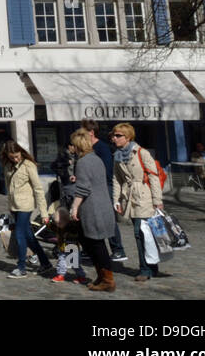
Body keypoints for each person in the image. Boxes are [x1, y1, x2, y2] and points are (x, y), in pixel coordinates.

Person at [110, 123, 164, 283]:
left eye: (118, 135)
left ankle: (145, 269)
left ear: (127, 137)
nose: (114, 138)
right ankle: (152, 265)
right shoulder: (117, 156)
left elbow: (154, 176)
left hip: (144, 196)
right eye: (114, 135)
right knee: (145, 234)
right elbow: (117, 179)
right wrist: (116, 200)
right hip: (129, 198)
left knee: (139, 232)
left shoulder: (142, 153)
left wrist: (157, 200)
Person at [70, 128, 116, 292]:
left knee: (96, 244)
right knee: (89, 241)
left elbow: (83, 188)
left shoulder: (83, 162)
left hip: (93, 208)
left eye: (73, 145)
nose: (72, 148)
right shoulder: (96, 159)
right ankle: (101, 275)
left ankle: (108, 280)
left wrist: (74, 207)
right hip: (102, 204)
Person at [2, 139, 52, 278]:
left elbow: (38, 189)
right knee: (29, 236)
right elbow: (8, 187)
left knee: (19, 234)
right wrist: (10, 207)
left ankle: (21, 267)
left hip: (26, 205)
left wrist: (44, 213)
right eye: (12, 157)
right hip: (14, 206)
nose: (16, 159)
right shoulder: (7, 166)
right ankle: (46, 263)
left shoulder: (28, 165)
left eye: (17, 156)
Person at [82, 118, 126, 262]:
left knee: (108, 218)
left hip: (105, 186)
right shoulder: (86, 148)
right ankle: (90, 249)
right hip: (91, 186)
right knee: (90, 217)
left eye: (83, 132)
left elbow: (107, 169)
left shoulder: (102, 147)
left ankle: (118, 249)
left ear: (91, 132)